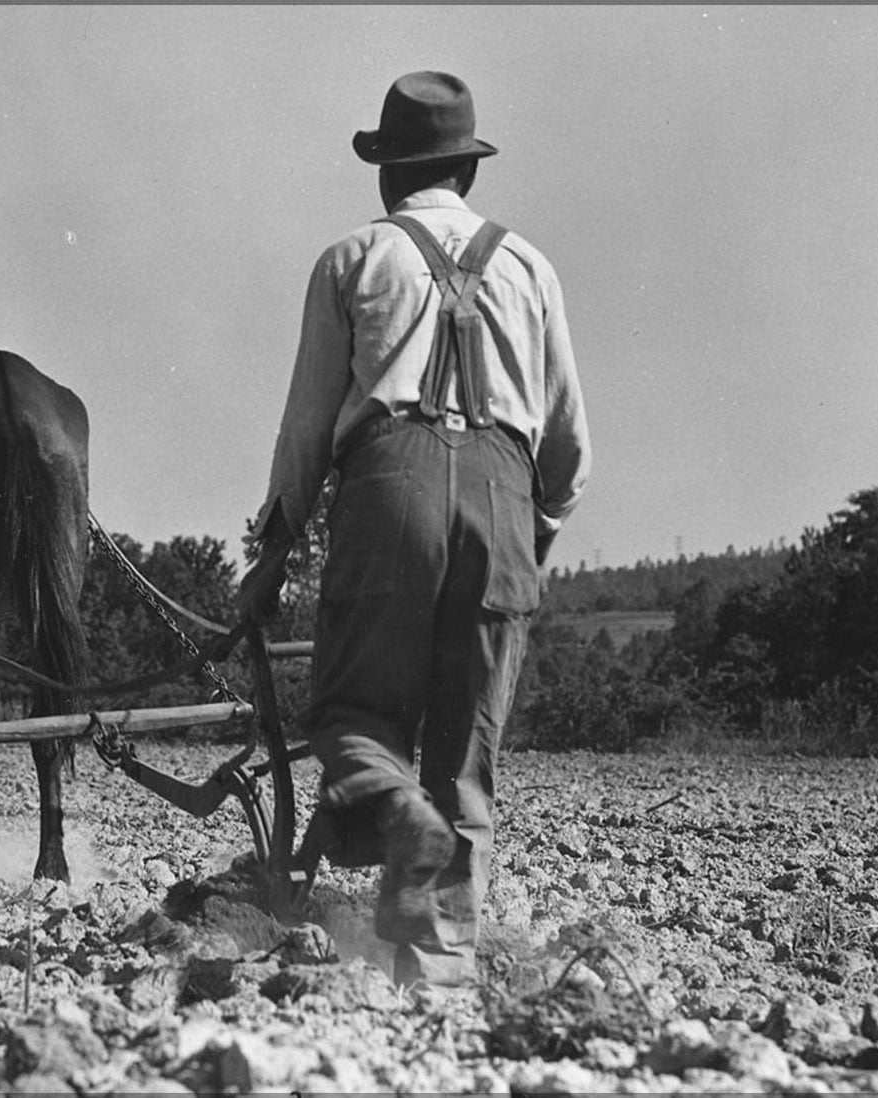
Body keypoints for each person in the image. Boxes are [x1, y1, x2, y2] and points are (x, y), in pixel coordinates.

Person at [239, 70, 591, 986]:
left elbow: (307, 432)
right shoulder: (531, 267)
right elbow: (568, 450)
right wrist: (526, 536)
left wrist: (271, 559)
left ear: (387, 174)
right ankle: (437, 972)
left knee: (352, 715)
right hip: (507, 499)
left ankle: (397, 811)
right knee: (466, 753)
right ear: (466, 173)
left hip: (388, 488)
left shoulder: (351, 259)